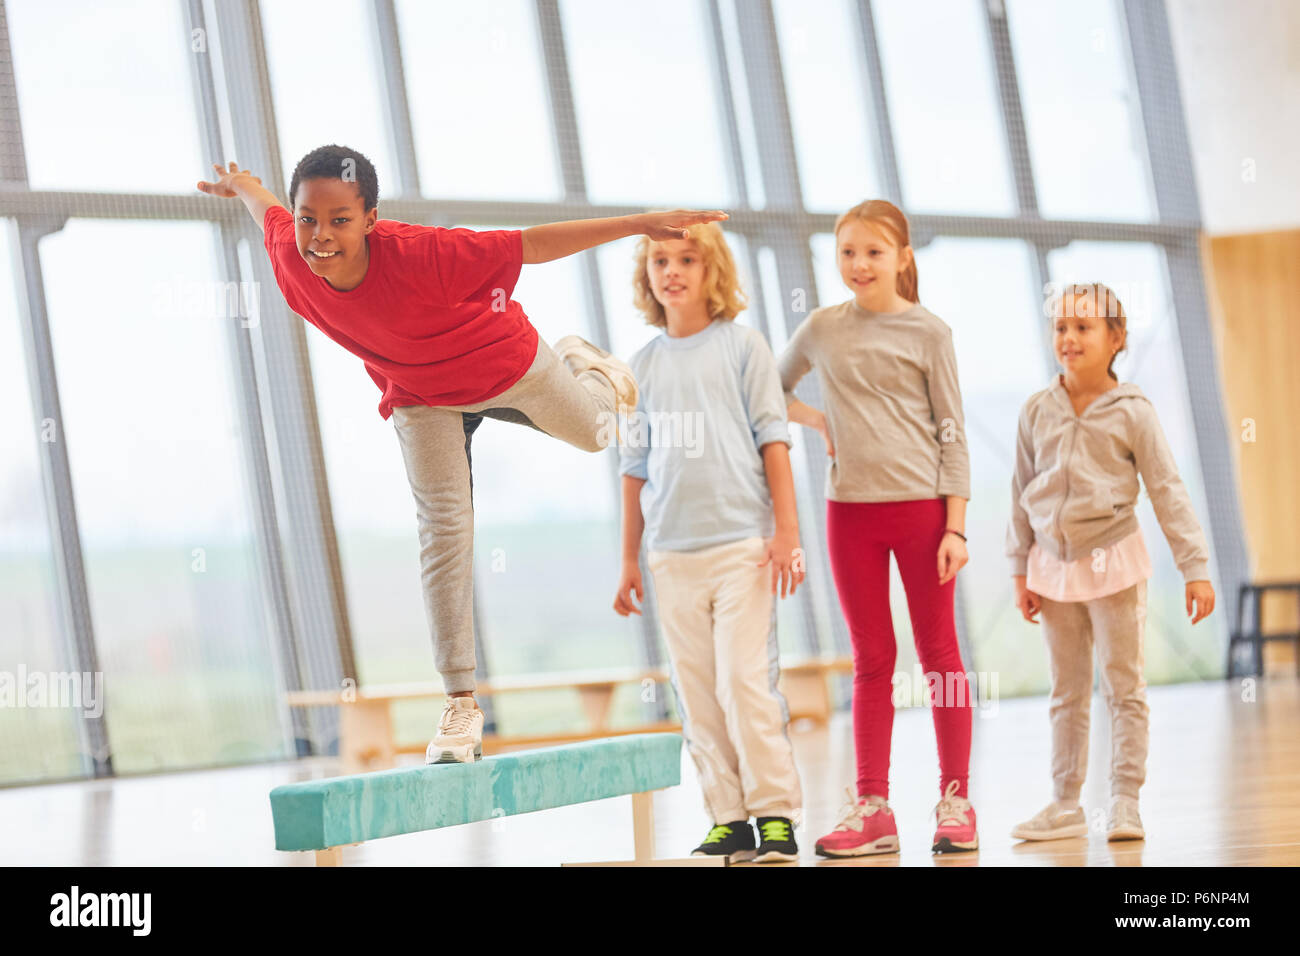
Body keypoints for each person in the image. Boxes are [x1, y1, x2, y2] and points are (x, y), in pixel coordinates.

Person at [197, 145, 725, 763]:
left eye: (340, 220)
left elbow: (533, 244)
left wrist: (636, 224)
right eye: (309, 218)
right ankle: (460, 704)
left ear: (370, 218)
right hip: (422, 396)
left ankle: (589, 366)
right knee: (444, 529)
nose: (320, 236)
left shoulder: (424, 254)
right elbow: (268, 212)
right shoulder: (289, 252)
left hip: (502, 364)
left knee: (595, 434)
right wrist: (244, 185)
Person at [778, 199, 978, 856]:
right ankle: (873, 807)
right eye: (848, 253)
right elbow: (770, 392)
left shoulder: (931, 333)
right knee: (872, 660)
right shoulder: (821, 328)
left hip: (923, 513)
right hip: (848, 514)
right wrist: (817, 421)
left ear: (902, 258)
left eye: (874, 252)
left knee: (940, 656)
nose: (860, 265)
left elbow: (952, 432)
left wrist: (956, 527)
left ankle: (956, 801)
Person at [613, 222, 804, 863]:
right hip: (671, 555)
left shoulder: (744, 347)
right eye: (661, 259)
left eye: (687, 259)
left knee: (745, 682)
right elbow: (633, 470)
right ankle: (729, 818)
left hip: (743, 547)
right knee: (695, 691)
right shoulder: (638, 368)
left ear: (709, 269)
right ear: (648, 275)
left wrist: (786, 534)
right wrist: (628, 562)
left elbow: (773, 440)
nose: (673, 271)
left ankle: (774, 813)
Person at [1007, 283, 1215, 843]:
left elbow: (1167, 489)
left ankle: (1125, 800)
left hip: (1115, 563)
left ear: (1116, 338)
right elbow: (1020, 491)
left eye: (1083, 328)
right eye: (1060, 328)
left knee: (1124, 687)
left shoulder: (1134, 413)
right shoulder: (1036, 411)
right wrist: (1020, 570)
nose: (1069, 339)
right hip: (1052, 570)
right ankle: (1064, 803)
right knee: (1066, 691)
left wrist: (1194, 566)